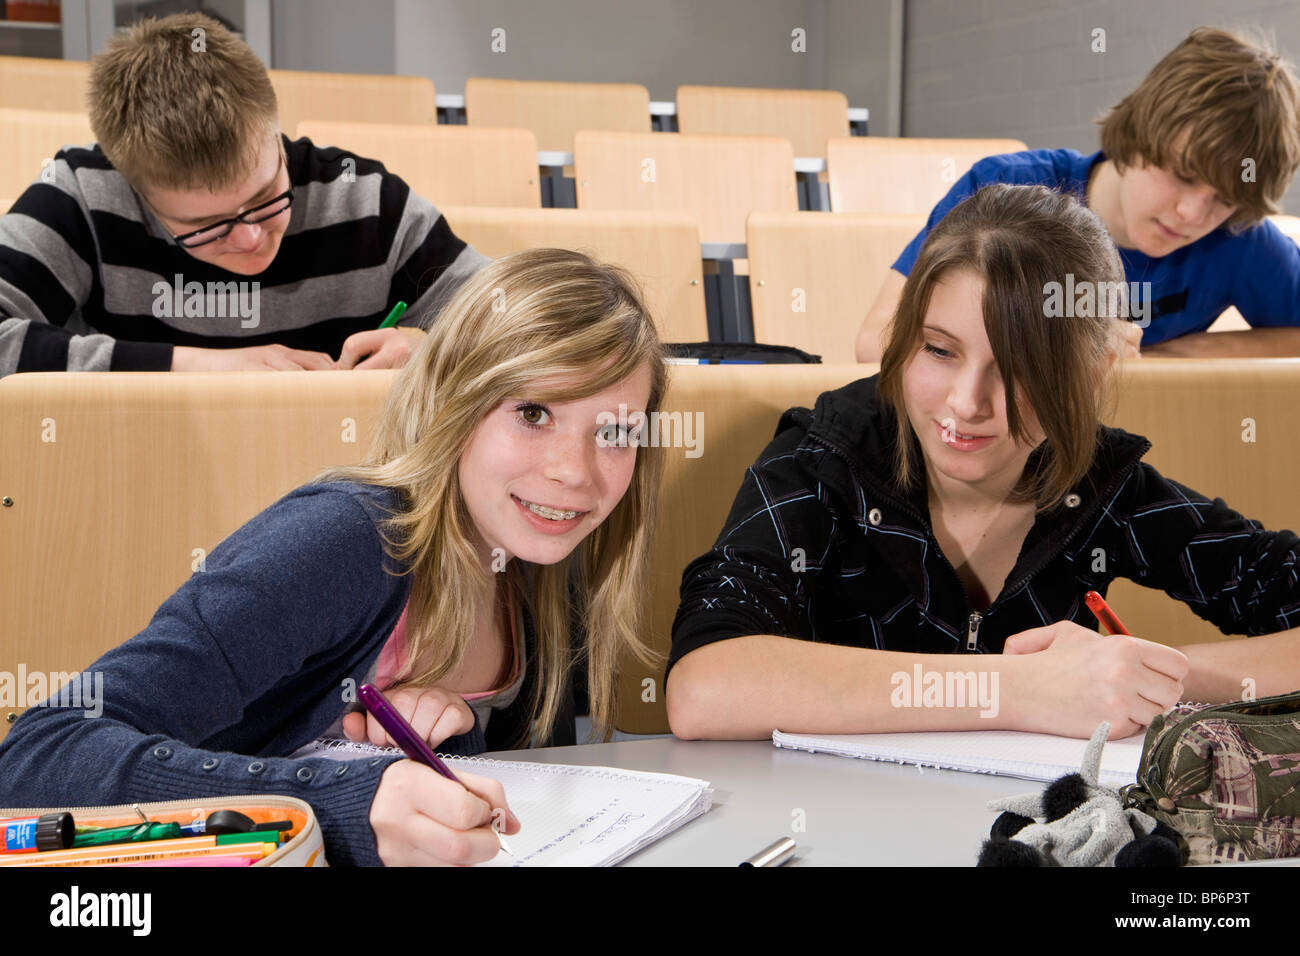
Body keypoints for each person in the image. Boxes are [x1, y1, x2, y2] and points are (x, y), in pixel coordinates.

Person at [0, 248, 667, 867]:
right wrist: (344, 800)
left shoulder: (549, 559)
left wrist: (450, 737)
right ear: (453, 404)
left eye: (613, 433)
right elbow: (35, 757)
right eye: (532, 412)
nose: (574, 472)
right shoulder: (343, 538)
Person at [668, 183, 1300, 744]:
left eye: (1020, 369)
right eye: (939, 350)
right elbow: (703, 687)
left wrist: (1136, 678)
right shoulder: (822, 460)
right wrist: (1021, 688)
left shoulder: (1104, 483)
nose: (966, 404)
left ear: (1090, 374)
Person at [0, 11, 486, 378]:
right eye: (205, 226)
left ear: (276, 136)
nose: (252, 238)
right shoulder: (83, 195)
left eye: (265, 196)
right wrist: (193, 368)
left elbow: (534, 318)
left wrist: (432, 353)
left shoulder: (365, 199)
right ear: (137, 191)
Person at [855, 26, 1300, 363]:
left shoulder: (1240, 238)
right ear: (1140, 131)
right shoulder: (1001, 191)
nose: (1191, 213)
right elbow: (878, 341)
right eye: (1182, 175)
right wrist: (1061, 348)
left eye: (1223, 200)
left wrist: (1168, 357)